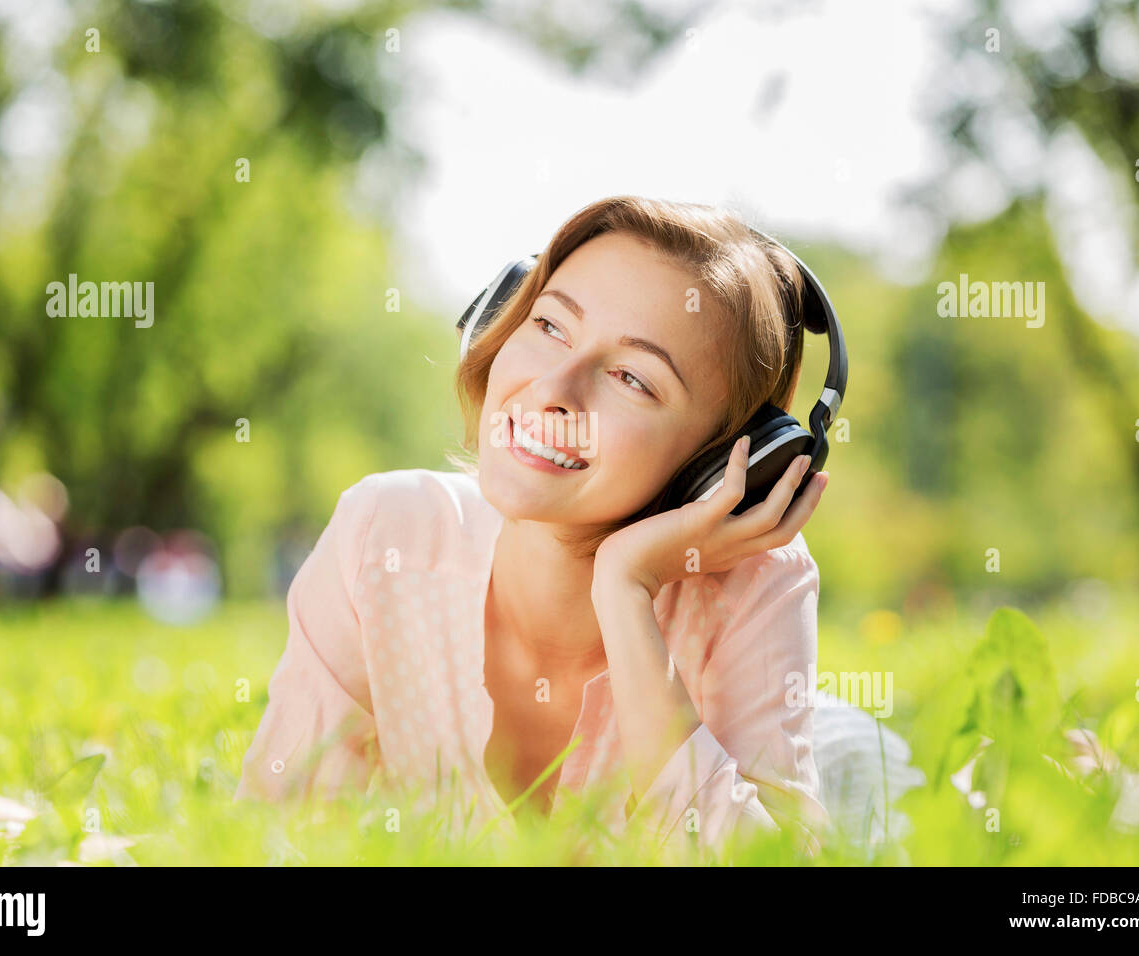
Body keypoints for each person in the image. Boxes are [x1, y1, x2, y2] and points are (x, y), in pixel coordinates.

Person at [236, 196, 835, 855]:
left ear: (720, 465)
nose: (555, 387)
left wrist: (625, 589)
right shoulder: (387, 537)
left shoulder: (754, 587)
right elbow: (277, 832)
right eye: (550, 326)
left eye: (633, 378)